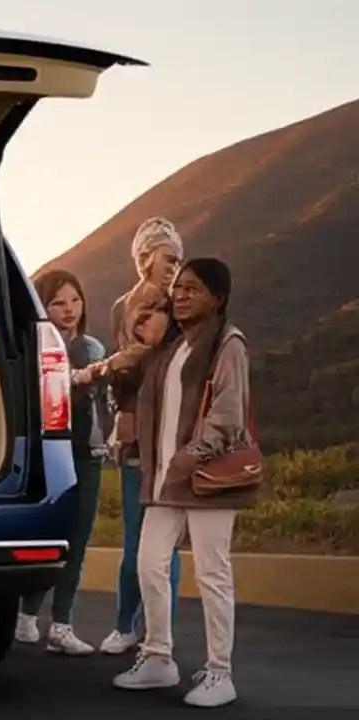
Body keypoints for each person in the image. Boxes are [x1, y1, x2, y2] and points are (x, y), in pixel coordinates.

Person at [112, 258, 257, 708]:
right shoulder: (171, 349)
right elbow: (143, 397)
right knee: (149, 564)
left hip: (206, 476)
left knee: (213, 574)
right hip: (166, 479)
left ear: (218, 298)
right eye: (178, 288)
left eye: (193, 289)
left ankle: (220, 673)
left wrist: (190, 456)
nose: (180, 295)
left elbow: (229, 415)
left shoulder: (228, 344)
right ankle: (158, 658)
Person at [14, 269, 116, 655]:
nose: (69, 309)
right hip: (49, 452)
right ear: (44, 305)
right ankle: (27, 617)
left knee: (78, 540)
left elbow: (107, 404)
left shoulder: (93, 348)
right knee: (46, 539)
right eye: (58, 301)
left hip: (88, 453)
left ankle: (61, 625)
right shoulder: (34, 349)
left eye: (75, 300)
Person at [99, 217, 186, 656]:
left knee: (164, 543)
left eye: (179, 259)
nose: (174, 266)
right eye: (169, 257)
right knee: (135, 539)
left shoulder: (183, 309)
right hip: (133, 437)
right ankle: (124, 625)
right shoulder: (121, 308)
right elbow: (120, 375)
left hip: (169, 435)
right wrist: (119, 417)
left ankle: (159, 635)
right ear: (146, 256)